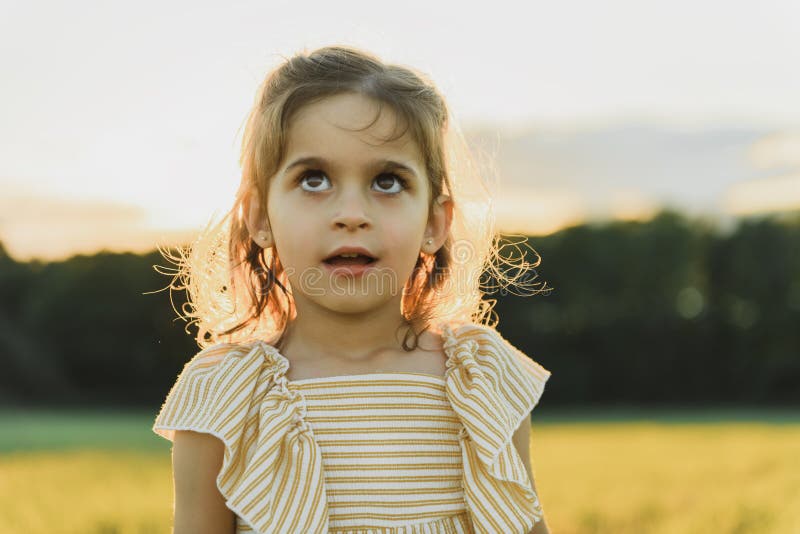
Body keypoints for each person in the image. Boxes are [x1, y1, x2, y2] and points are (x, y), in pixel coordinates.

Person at [152, 44, 553, 534]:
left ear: (434, 221)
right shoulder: (225, 393)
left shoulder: (480, 378)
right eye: (314, 179)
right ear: (259, 217)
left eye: (387, 181)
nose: (351, 214)